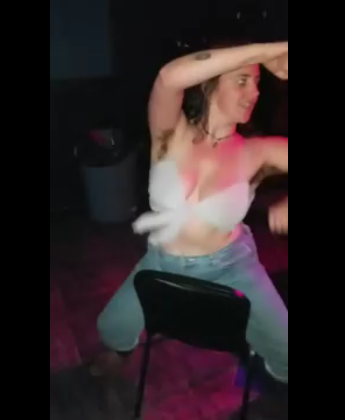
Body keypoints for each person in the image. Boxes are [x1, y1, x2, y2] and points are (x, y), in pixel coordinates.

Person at [91, 41, 289, 384]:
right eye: (242, 81)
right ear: (210, 82)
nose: (255, 92)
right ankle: (118, 354)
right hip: (161, 262)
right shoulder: (170, 133)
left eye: (257, 83)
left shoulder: (258, 151)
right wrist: (270, 52)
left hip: (232, 266)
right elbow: (169, 77)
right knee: (111, 327)